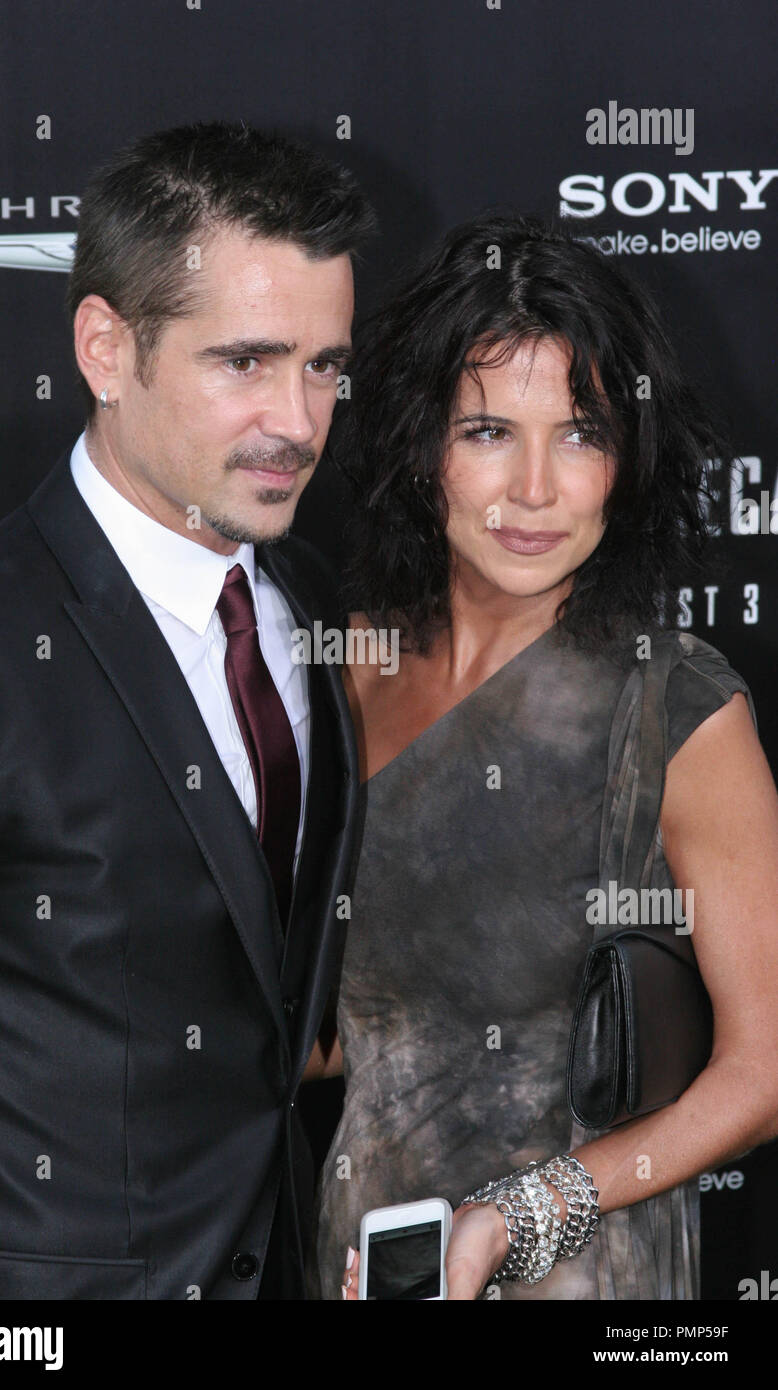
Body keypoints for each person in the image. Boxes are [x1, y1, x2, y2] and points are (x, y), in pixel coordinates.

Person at [0, 119, 376, 1300]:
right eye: (245, 361)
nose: (298, 421)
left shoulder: (309, 608)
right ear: (106, 349)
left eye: (325, 365)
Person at [308, 214, 778, 1300]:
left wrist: (519, 1212)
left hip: (584, 1279)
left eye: (577, 433)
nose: (532, 488)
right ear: (420, 447)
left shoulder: (674, 704)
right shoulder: (346, 673)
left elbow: (759, 1074)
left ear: (627, 459)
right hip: (364, 1259)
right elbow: (357, 1023)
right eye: (484, 432)